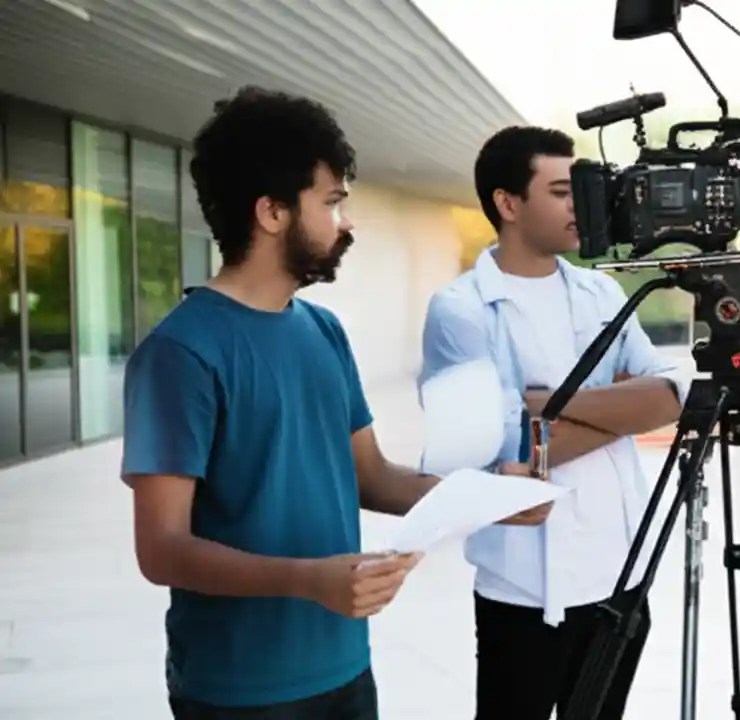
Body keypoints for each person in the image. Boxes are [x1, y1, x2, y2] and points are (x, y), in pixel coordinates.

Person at [121, 86, 540, 720]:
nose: (346, 223)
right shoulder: (180, 352)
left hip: (344, 668)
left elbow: (370, 476)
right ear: (272, 213)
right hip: (238, 690)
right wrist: (307, 579)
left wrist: (492, 496)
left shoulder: (322, 331)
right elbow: (161, 550)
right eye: (332, 202)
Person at [419, 125, 688, 720]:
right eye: (563, 192)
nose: (581, 207)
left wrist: (544, 404)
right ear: (508, 204)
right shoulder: (460, 310)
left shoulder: (600, 291)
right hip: (523, 592)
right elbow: (492, 452)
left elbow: (670, 396)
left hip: (620, 580)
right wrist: (617, 410)